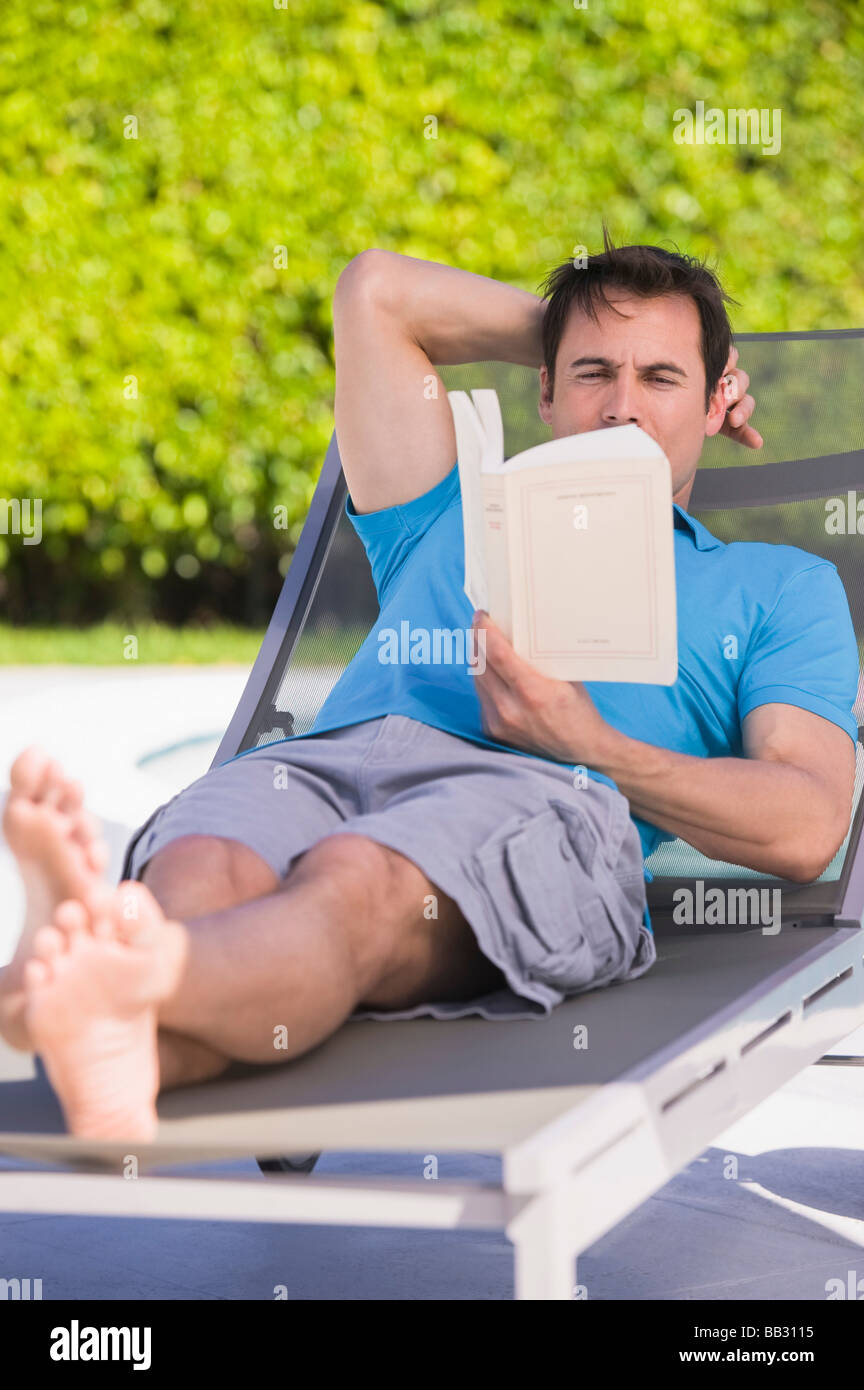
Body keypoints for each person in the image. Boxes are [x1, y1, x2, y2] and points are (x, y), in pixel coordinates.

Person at [0, 234, 857, 1142]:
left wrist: (585, 740)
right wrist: (574, 323)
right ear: (547, 392)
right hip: (325, 765)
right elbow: (377, 292)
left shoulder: (777, 587)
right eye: (592, 374)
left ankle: (94, 964)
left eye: (662, 379)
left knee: (358, 881)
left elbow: (807, 823)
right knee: (205, 867)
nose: (622, 409)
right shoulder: (450, 506)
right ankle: (120, 1031)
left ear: (719, 399)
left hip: (543, 795)